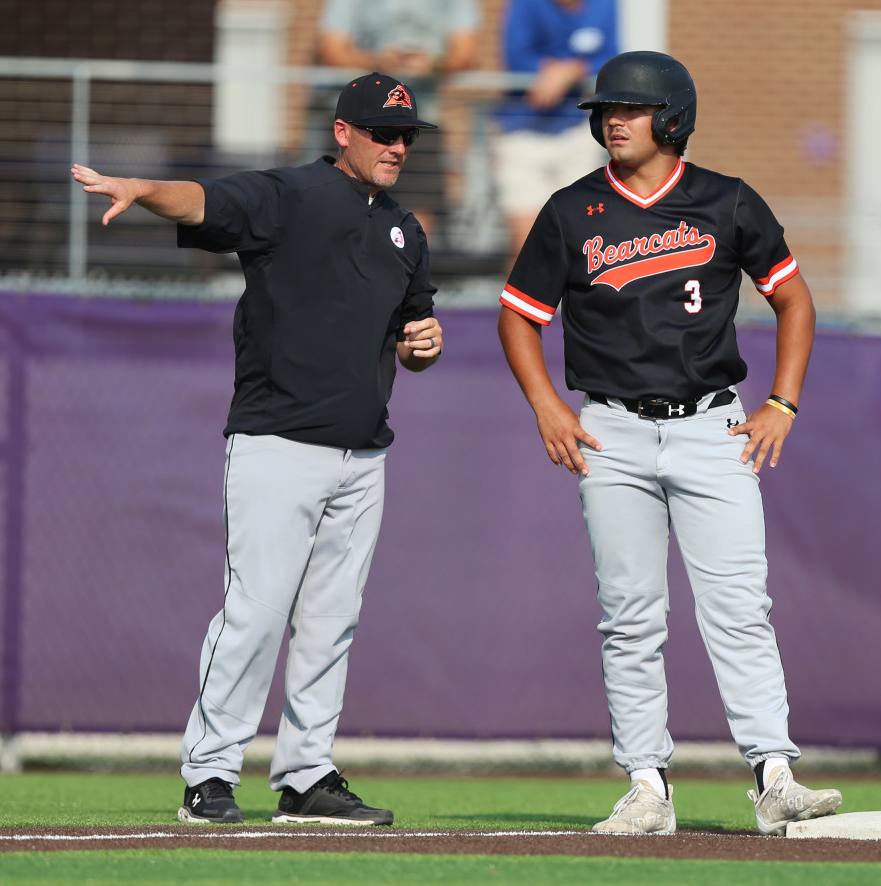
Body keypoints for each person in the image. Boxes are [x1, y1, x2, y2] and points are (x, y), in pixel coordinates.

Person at [71, 72, 443, 826]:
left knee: (331, 621)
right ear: (342, 132)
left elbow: (415, 335)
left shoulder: (406, 230)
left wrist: (425, 346)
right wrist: (143, 187)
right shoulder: (291, 194)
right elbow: (206, 204)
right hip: (278, 441)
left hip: (363, 454)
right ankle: (208, 774)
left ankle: (306, 778)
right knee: (256, 612)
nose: (396, 146)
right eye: (382, 132)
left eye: (406, 135)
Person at [497, 51, 842, 836]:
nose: (612, 119)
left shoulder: (726, 201)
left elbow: (793, 299)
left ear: (673, 118)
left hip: (711, 425)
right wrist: (548, 405)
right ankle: (648, 787)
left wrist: (782, 402)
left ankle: (775, 775)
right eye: (605, 109)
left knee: (740, 608)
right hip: (610, 429)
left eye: (630, 108)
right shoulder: (570, 209)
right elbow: (518, 315)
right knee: (629, 616)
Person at [317, 0, 481, 239]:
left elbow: (467, 52)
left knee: (414, 231)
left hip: (420, 120)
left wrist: (432, 64)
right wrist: (379, 63)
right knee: (344, 221)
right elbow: (332, 49)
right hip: (360, 120)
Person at [493, 0, 618, 269]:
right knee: (525, 244)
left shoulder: (605, 4)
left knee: (579, 238)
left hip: (577, 131)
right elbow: (515, 56)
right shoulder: (524, 4)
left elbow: (612, 59)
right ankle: (522, 311)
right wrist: (549, 71)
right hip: (523, 132)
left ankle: (575, 311)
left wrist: (572, 71)